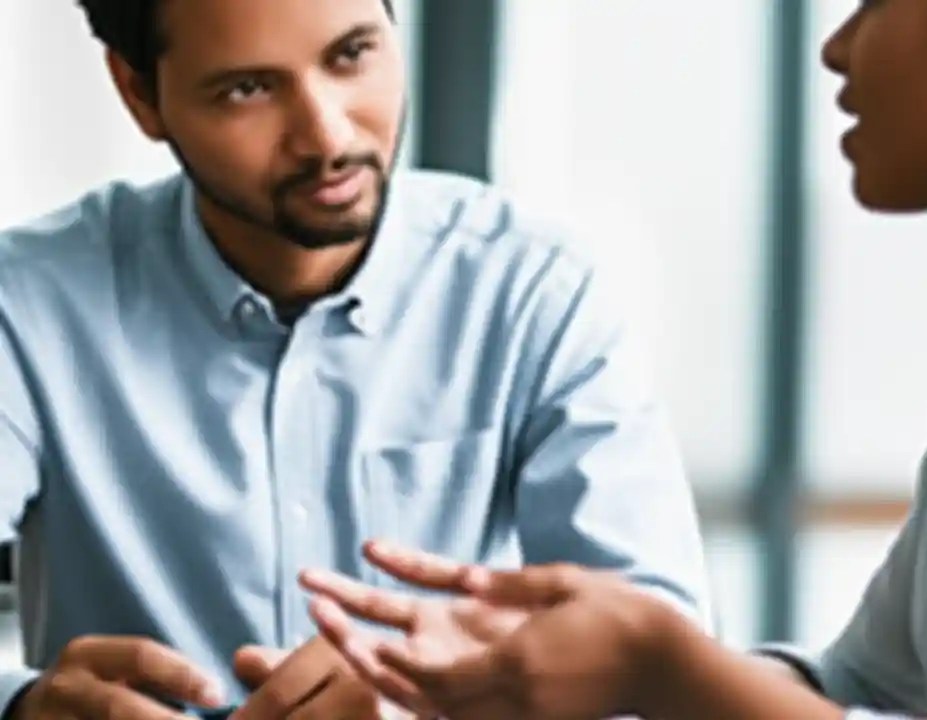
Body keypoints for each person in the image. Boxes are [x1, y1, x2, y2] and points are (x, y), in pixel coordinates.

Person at [299, 0, 927, 717]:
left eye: (872, 3)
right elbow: (863, 683)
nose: (836, 45)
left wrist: (663, 667)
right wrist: (556, 663)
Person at [0, 0, 710, 717]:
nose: (326, 136)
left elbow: (667, 677)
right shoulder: (27, 304)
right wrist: (21, 709)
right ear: (138, 93)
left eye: (351, 56)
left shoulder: (535, 292)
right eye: (248, 89)